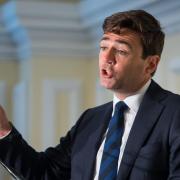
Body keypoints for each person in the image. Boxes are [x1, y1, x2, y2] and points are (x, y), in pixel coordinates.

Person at [0, 9, 180, 180]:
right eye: (103, 47)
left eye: (121, 51)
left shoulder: (174, 113)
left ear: (151, 64)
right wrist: (3, 130)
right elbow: (45, 173)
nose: (107, 57)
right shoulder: (90, 119)